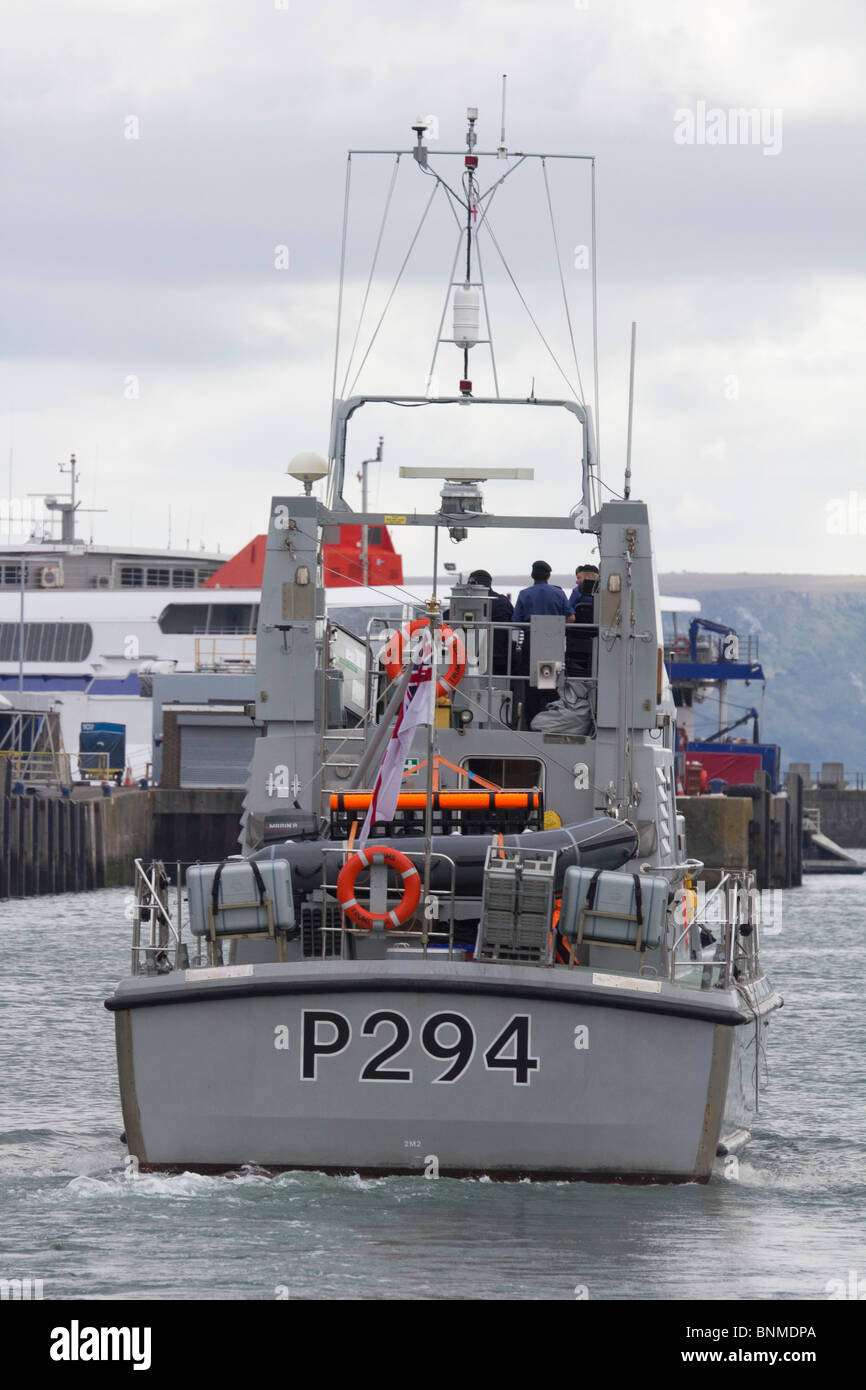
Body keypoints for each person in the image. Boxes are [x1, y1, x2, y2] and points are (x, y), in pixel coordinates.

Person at [512, 562, 574, 725]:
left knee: (532, 685)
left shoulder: (524, 594)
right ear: (548, 576)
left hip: (531, 641)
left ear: (532, 575)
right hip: (552, 642)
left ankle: (532, 721)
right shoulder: (558, 593)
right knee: (550, 683)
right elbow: (571, 618)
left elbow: (516, 621)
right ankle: (552, 720)